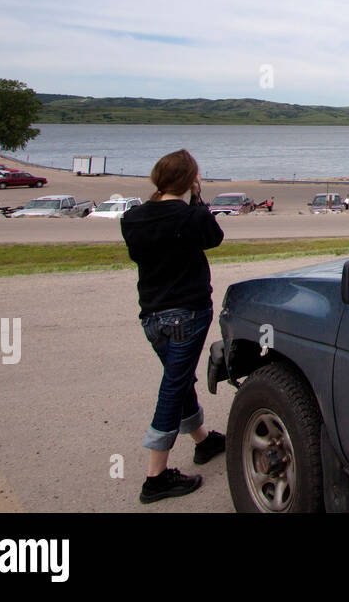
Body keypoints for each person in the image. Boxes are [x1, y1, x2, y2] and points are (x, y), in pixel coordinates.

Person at [121, 149, 227, 503]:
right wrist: (198, 199)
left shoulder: (132, 218)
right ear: (188, 181)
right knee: (173, 386)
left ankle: (202, 440)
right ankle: (156, 477)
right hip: (187, 314)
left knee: (178, 379)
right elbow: (214, 237)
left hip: (151, 317)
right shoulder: (188, 217)